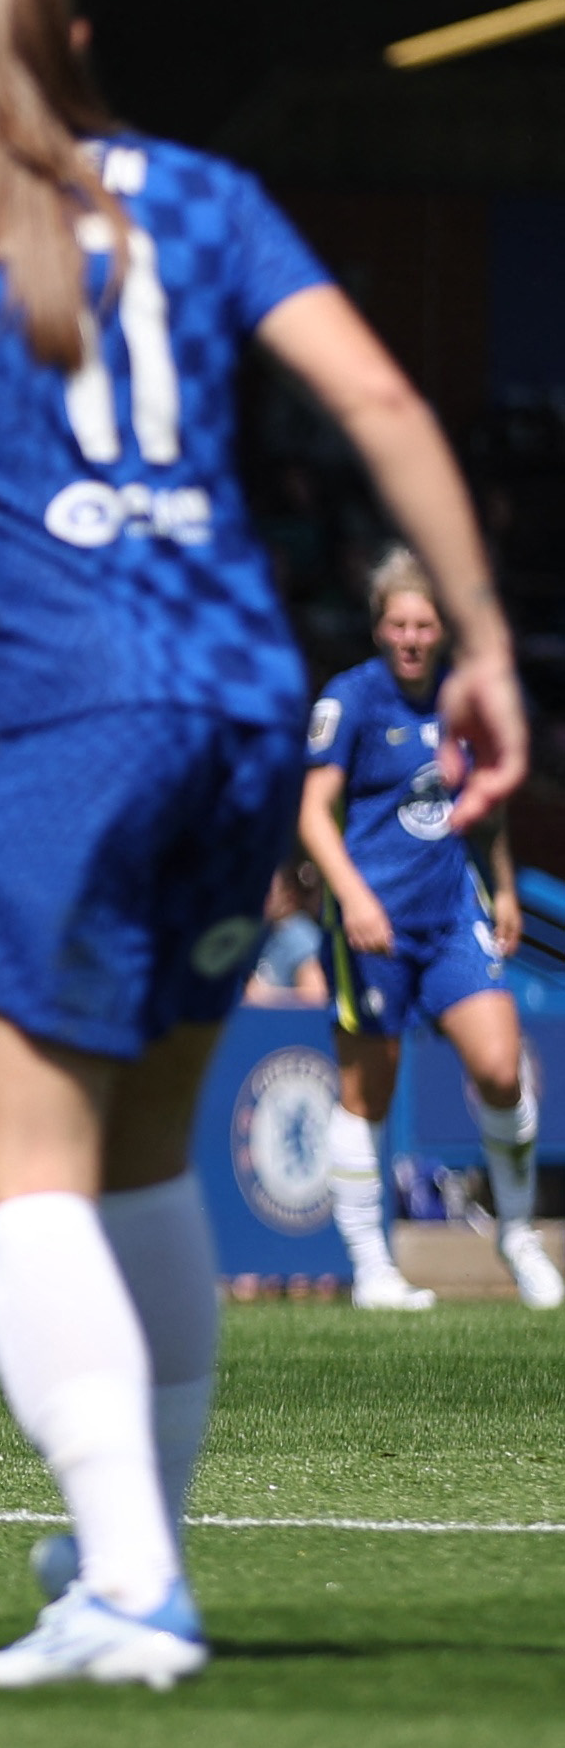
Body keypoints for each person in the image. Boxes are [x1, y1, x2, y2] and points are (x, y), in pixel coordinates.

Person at [0, 0, 526, 1690]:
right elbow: (379, 395)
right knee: (141, 1158)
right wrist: (481, 642)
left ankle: (135, 1586)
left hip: (52, 710)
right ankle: (120, 1550)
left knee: (13, 1179)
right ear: (74, 43)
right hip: (242, 701)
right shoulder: (205, 194)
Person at [297, 550, 556, 1310]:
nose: (410, 638)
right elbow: (311, 813)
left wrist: (501, 886)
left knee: (501, 1068)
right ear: (379, 627)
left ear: (442, 628)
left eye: (423, 625)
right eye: (398, 624)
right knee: (365, 1093)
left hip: (450, 917)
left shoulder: (462, 700)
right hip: (371, 926)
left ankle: (516, 1234)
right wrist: (354, 899)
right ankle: (370, 1268)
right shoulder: (350, 701)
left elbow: (487, 803)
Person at [237, 862, 326, 1010]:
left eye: (267, 891)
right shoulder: (257, 933)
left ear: (289, 895)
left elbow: (315, 995)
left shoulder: (300, 935)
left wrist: (262, 996)